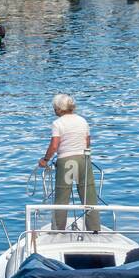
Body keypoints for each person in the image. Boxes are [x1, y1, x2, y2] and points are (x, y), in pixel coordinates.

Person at [38, 94, 99, 232]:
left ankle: (58, 229)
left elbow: (54, 145)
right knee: (88, 195)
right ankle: (94, 228)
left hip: (66, 161)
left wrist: (45, 160)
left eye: (55, 107)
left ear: (59, 108)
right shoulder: (83, 121)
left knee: (61, 196)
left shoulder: (58, 123)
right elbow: (87, 142)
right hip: (84, 159)